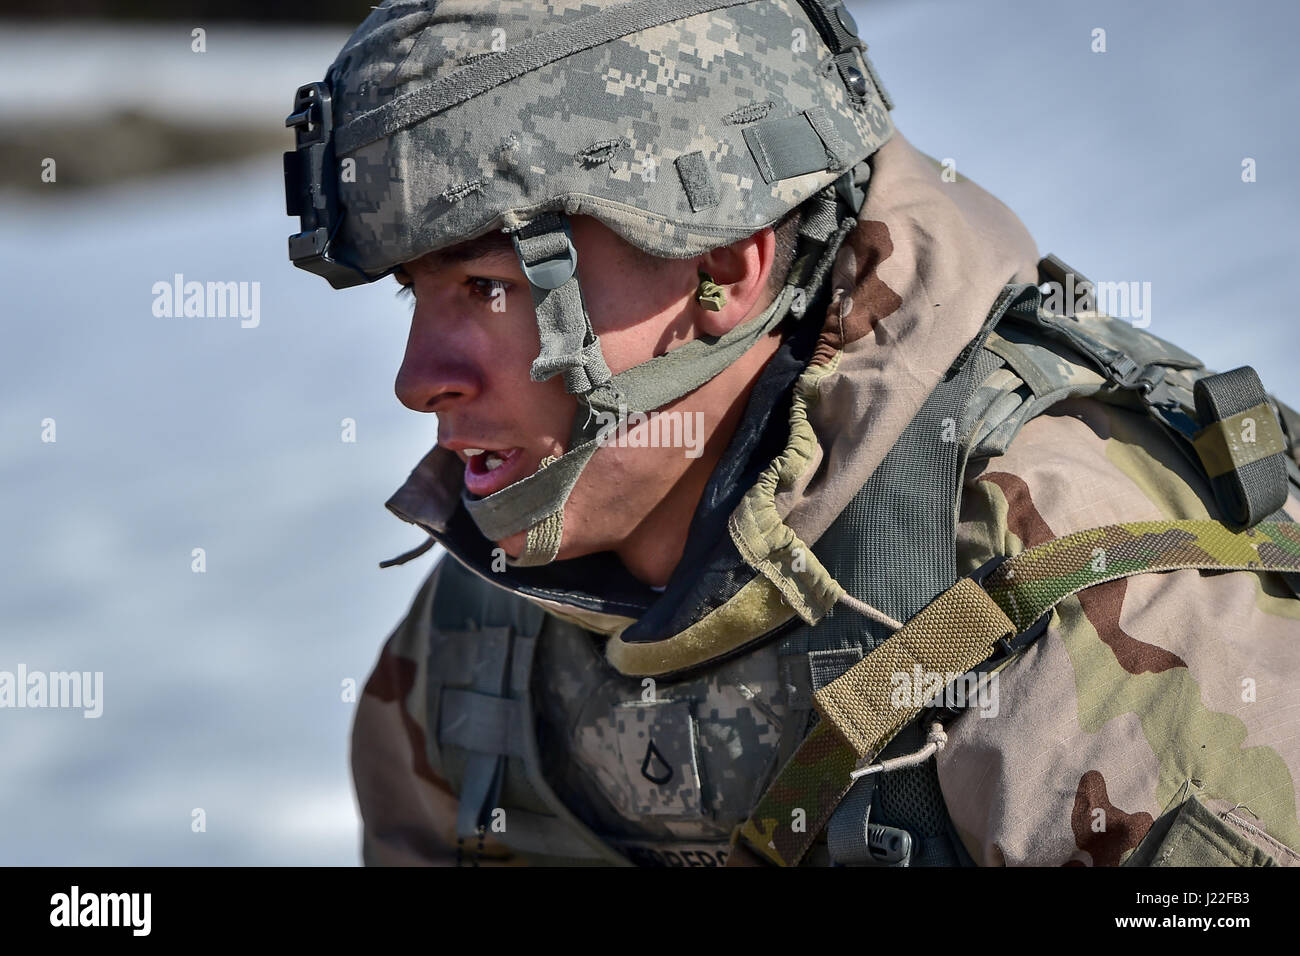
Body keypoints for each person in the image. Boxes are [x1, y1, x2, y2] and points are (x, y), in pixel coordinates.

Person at [283, 0, 1300, 866]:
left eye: (490, 288)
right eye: (417, 295)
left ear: (725, 267)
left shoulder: (1080, 596)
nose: (418, 379)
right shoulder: (485, 625)